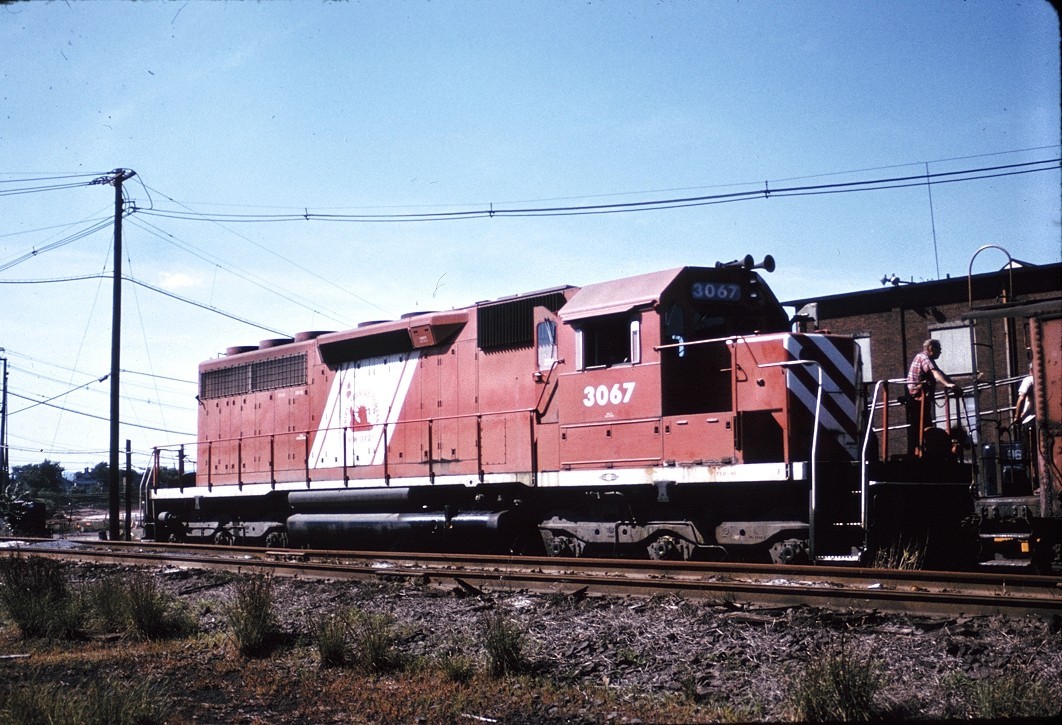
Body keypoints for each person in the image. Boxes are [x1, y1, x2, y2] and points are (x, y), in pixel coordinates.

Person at [905, 338, 961, 457]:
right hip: (917, 400)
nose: (940, 352)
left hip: (922, 400)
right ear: (931, 348)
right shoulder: (923, 357)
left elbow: (940, 372)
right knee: (920, 429)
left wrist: (954, 385)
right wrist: (947, 384)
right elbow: (935, 373)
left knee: (925, 427)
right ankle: (919, 451)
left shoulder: (927, 359)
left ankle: (926, 450)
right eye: (939, 349)